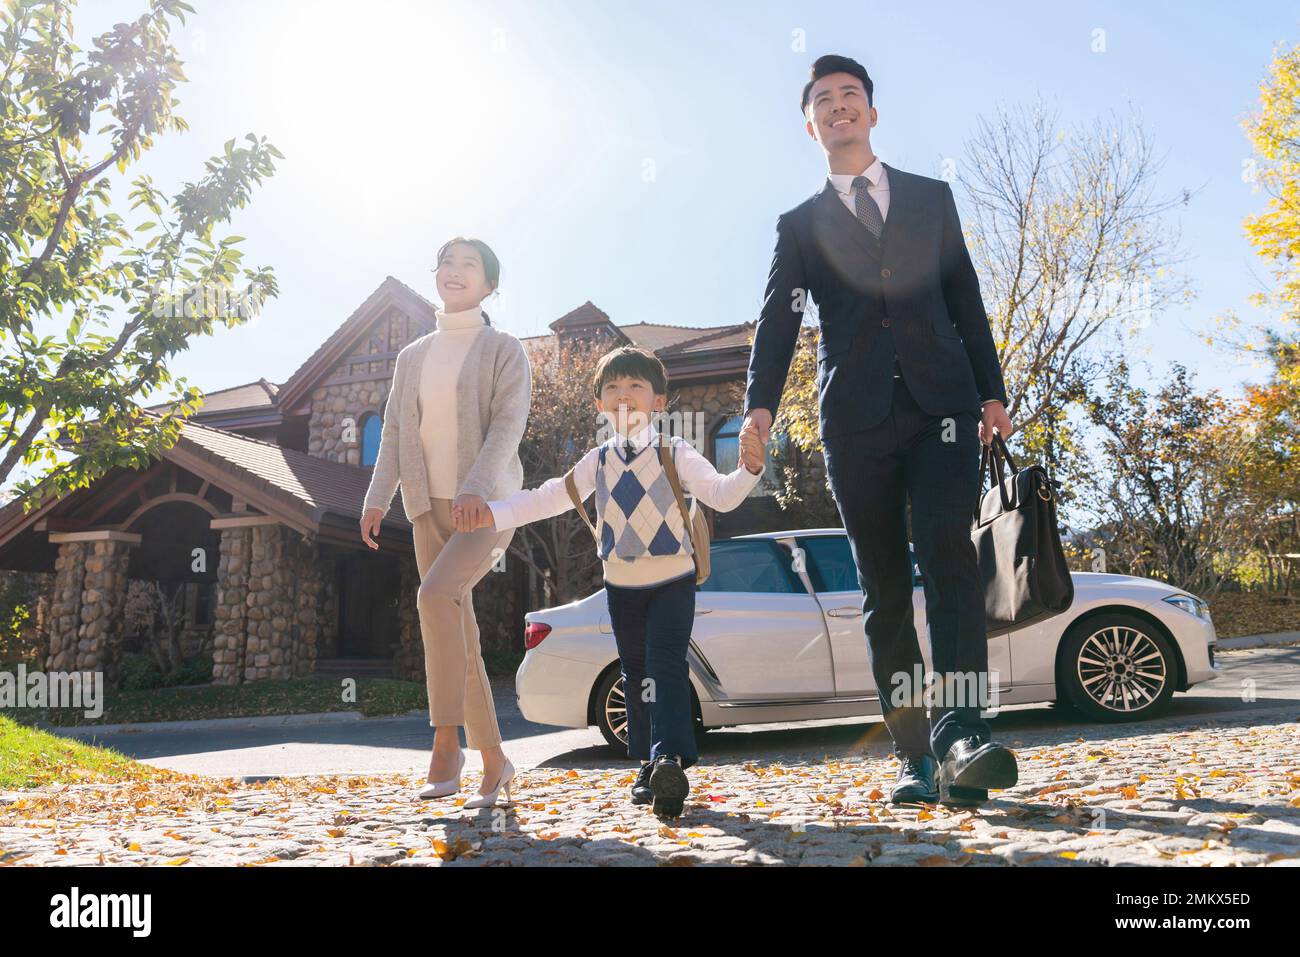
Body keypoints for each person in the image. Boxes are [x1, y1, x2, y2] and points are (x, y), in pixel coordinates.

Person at [741, 55, 1018, 806]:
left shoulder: (932, 199)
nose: (839, 108)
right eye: (824, 101)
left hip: (944, 412)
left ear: (871, 111)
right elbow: (780, 318)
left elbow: (968, 299)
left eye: (850, 96)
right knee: (885, 593)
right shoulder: (800, 226)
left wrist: (991, 394)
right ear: (811, 124)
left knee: (951, 566)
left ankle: (963, 734)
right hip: (854, 423)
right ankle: (914, 755)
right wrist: (758, 408)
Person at [463, 346, 764, 818]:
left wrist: (748, 470)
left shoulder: (675, 450)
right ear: (600, 405)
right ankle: (648, 763)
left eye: (635, 387)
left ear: (658, 401)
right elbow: (547, 499)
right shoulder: (596, 461)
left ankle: (668, 759)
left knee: (664, 667)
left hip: (673, 581)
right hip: (621, 587)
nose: (623, 397)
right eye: (612, 389)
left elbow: (721, 497)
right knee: (635, 672)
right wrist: (494, 513)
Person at [360, 236, 530, 808]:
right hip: (427, 508)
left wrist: (476, 486)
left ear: (490, 285)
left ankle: (444, 742)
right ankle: (494, 760)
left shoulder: (504, 348)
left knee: (434, 599)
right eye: (447, 262)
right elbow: (395, 435)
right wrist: (377, 497)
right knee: (458, 627)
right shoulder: (413, 357)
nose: (456, 272)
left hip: (484, 507)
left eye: (471, 265)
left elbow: (509, 424)